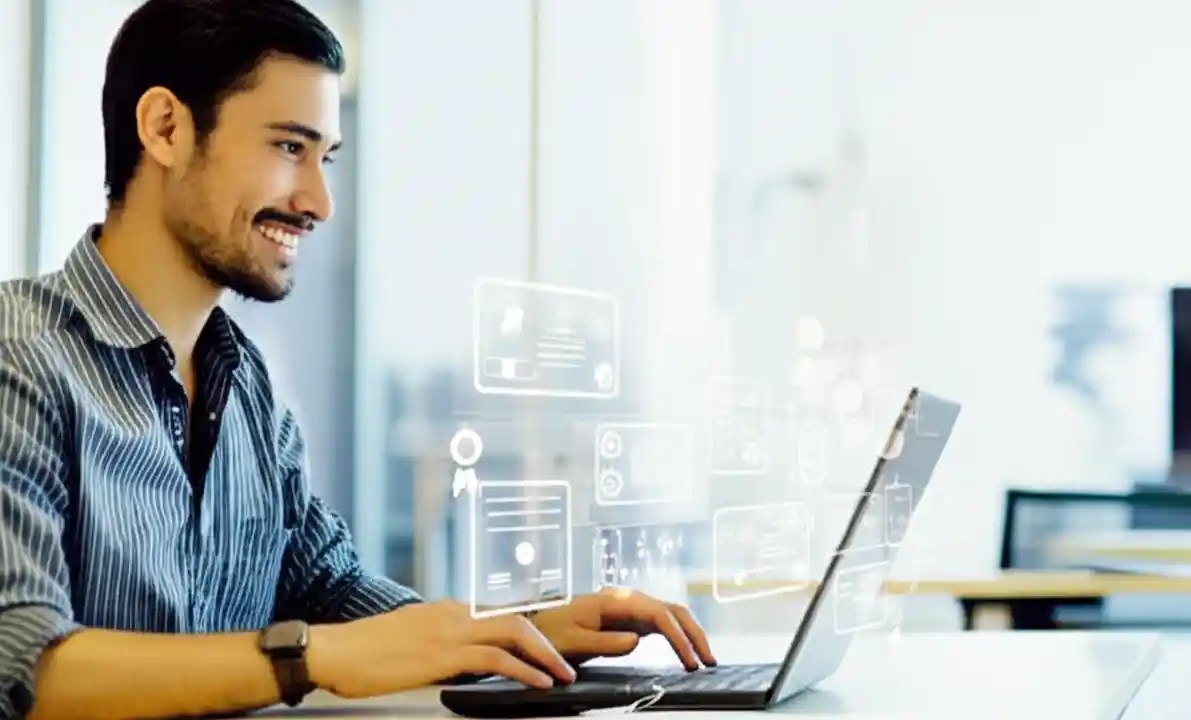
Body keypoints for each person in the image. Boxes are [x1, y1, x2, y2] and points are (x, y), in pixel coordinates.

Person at [0, 1, 716, 718]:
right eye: (288, 148)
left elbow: (338, 596)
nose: (319, 201)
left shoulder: (248, 390)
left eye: (326, 158)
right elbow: (25, 664)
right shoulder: (20, 357)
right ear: (165, 128)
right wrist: (311, 658)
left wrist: (527, 632)